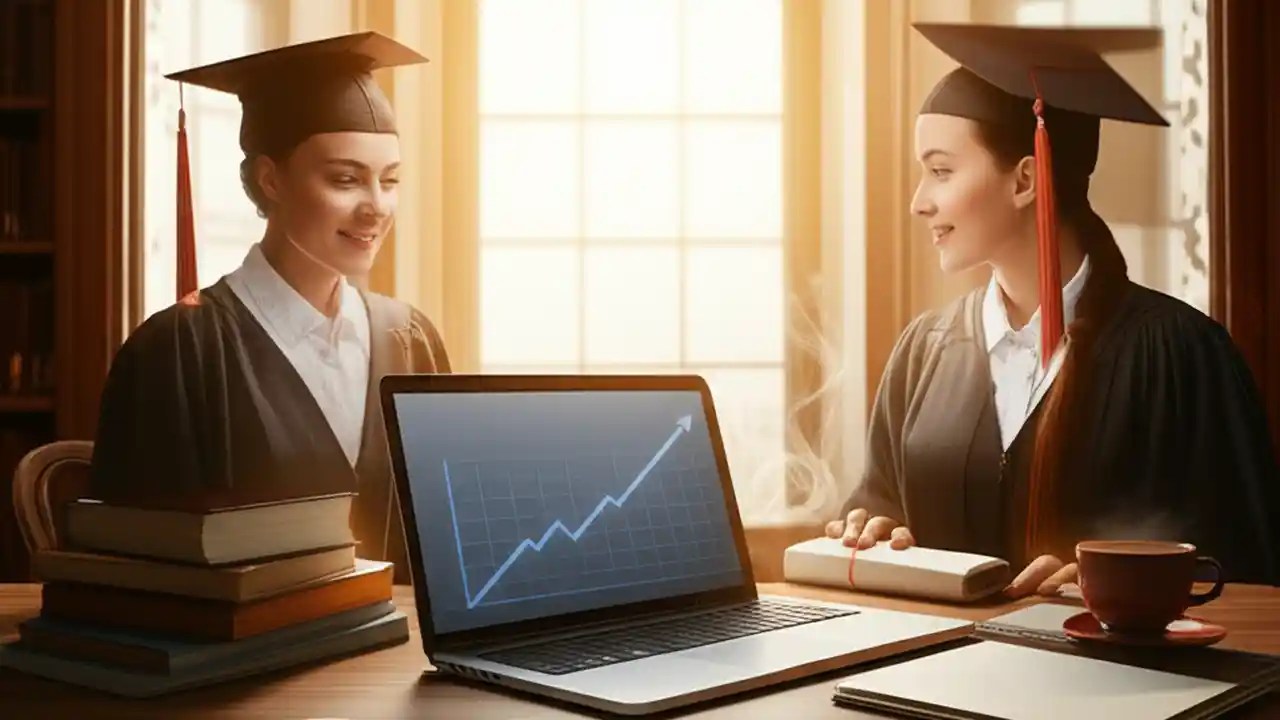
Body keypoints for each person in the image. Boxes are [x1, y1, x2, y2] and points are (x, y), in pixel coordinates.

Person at [825, 24, 1279, 597]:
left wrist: (1120, 585)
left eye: (940, 171)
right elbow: (878, 504)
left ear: (1025, 179)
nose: (919, 201)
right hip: (931, 677)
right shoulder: (924, 352)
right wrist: (876, 536)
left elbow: (1248, 571)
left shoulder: (1181, 355)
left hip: (1122, 679)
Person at [89, 32, 449, 584]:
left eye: (391, 180)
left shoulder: (409, 338)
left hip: (396, 663)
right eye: (346, 179)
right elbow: (139, 575)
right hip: (246, 663)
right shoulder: (181, 351)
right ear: (270, 179)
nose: (376, 207)